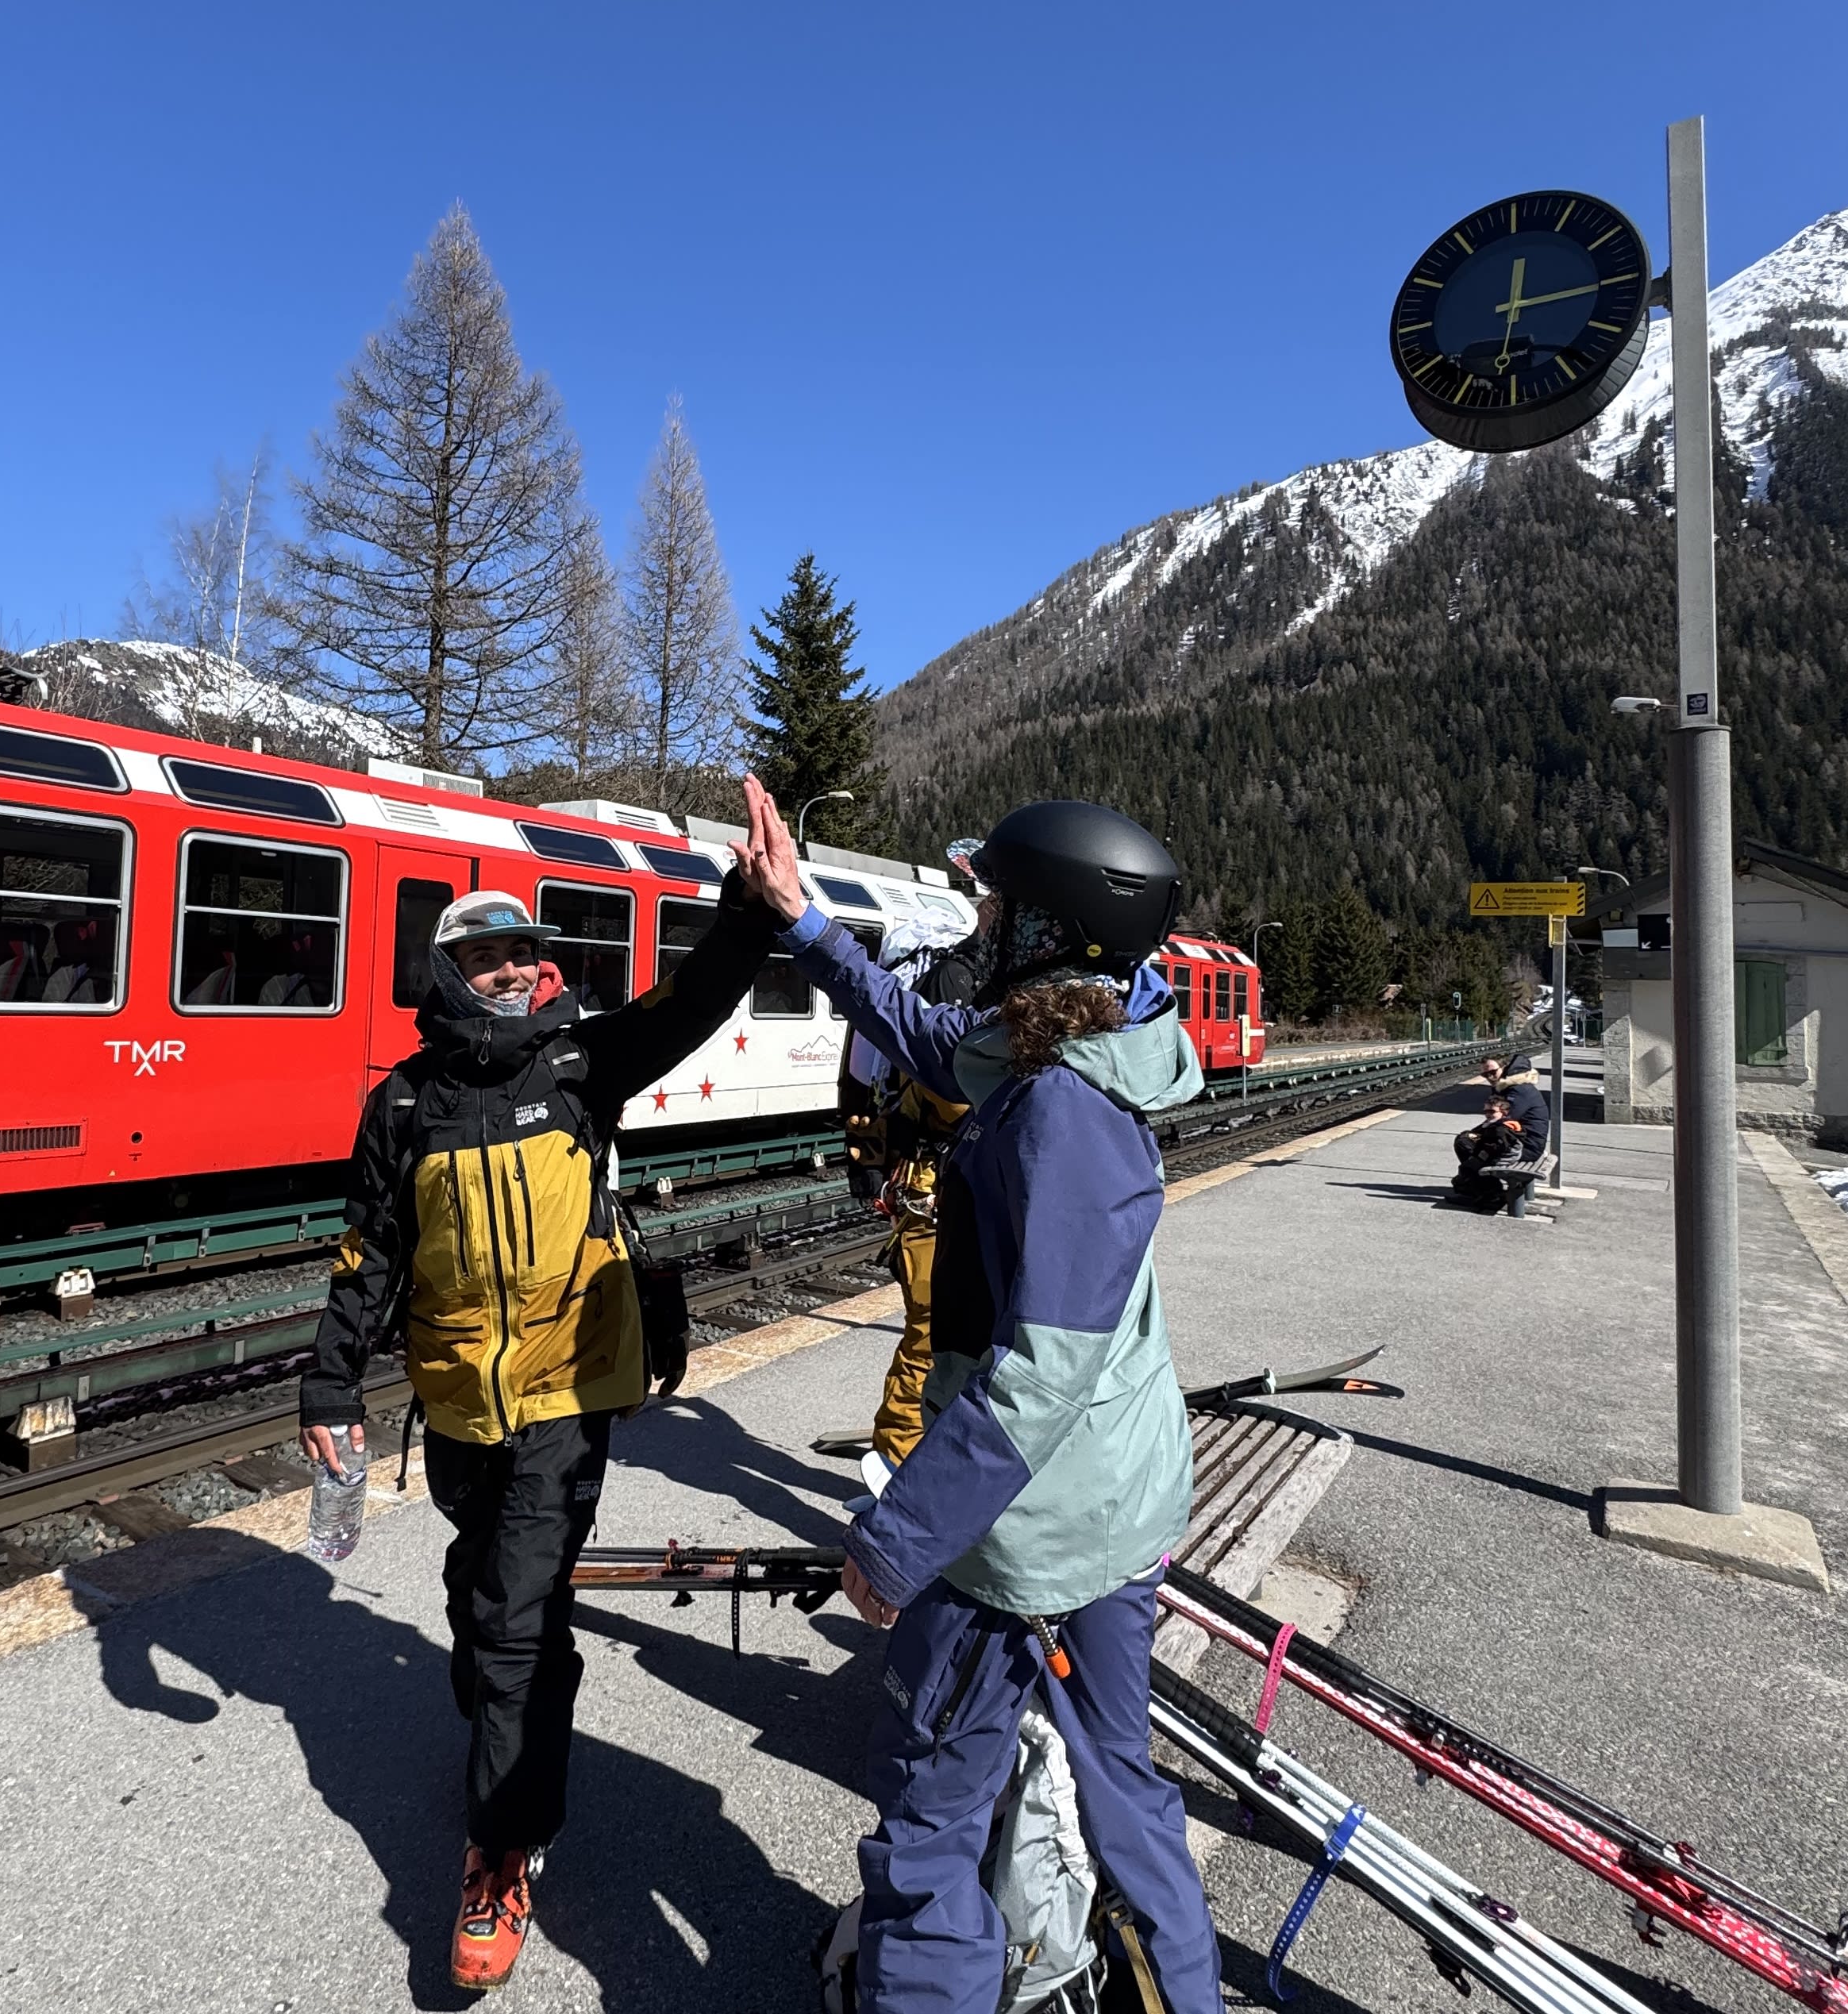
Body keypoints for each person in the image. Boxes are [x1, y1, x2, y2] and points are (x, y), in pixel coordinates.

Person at [733, 780, 1222, 2014]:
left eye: (996, 906)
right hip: (1106, 1505)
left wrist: (895, 1546)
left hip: (1032, 1532)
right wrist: (802, 922)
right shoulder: (1052, 1045)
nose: (975, 923)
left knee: (933, 1806)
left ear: (1047, 934)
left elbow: (1037, 1376)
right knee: (1121, 1785)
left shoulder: (1068, 1112)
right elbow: (915, 1024)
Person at [296, 822, 786, 1995]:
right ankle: (502, 1690)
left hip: (571, 1384)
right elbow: (368, 1255)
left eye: (525, 951)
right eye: (487, 956)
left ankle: (502, 1851)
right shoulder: (404, 1104)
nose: (513, 969)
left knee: (519, 1616)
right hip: (460, 1392)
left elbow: (693, 1000)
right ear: (446, 974)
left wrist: (751, 912)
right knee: (481, 1581)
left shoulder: (583, 1064)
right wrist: (329, 1384)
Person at [838, 908, 984, 1470]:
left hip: (935, 1188)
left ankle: (917, 1462)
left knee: (946, 1337)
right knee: (931, 1333)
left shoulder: (947, 986)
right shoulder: (952, 992)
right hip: (932, 1193)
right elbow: (956, 1100)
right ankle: (897, 1467)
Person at [1451, 1092, 1527, 1202]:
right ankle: (1482, 1189)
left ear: (1503, 1112)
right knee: (1463, 1140)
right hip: (1500, 1155)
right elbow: (1476, 1133)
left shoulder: (1501, 1129)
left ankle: (1485, 1193)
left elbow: (1496, 1148)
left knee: (1469, 1166)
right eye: (1486, 1111)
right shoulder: (1495, 1124)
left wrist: (1477, 1159)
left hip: (1502, 1159)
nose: (1488, 1114)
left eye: (1492, 1111)